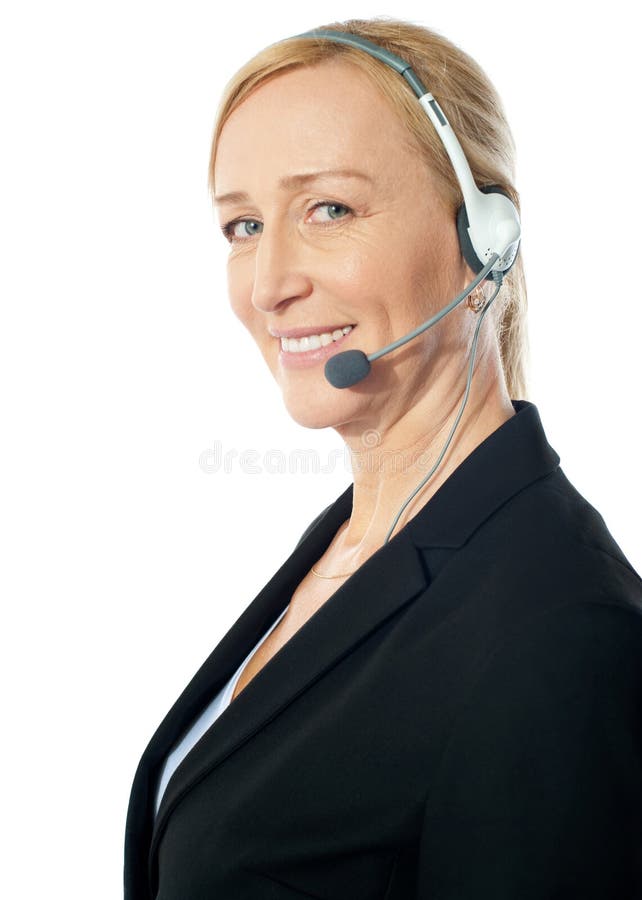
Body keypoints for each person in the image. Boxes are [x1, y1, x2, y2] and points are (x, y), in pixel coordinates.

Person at [124, 18, 642, 900]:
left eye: (329, 209)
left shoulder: (561, 633)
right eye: (243, 224)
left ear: (485, 234)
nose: (268, 283)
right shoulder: (352, 547)